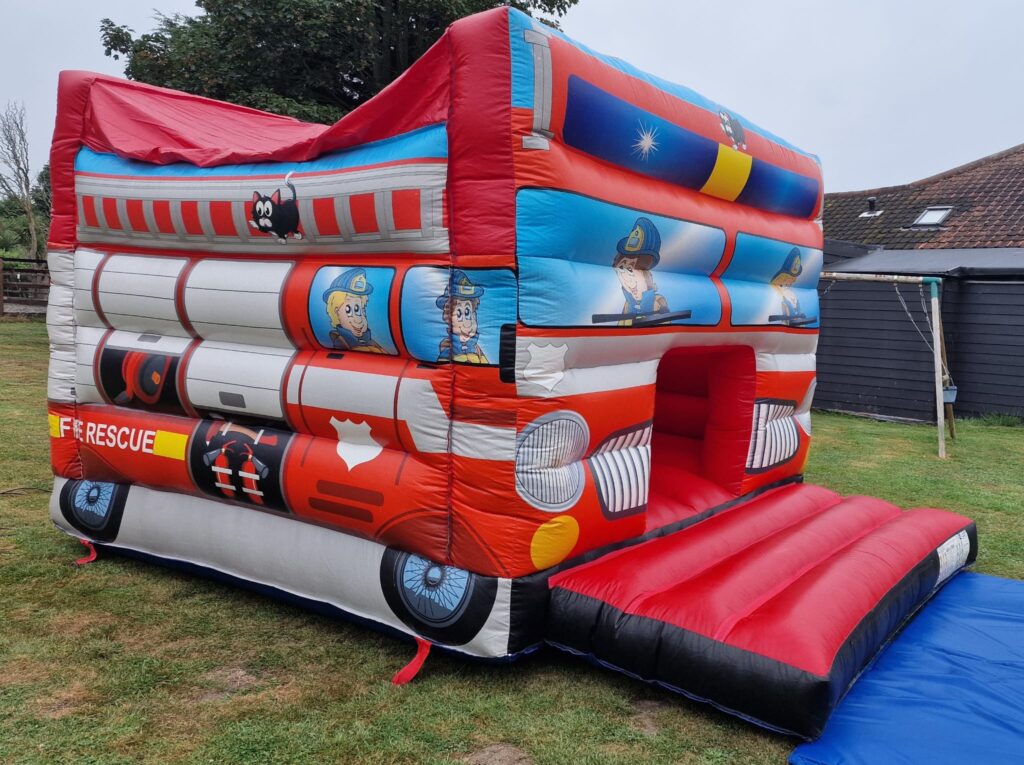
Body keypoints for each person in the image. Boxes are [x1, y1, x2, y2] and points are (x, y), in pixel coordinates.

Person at [613, 217, 669, 321]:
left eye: (631, 270)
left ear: (649, 275)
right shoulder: (628, 305)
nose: (628, 281)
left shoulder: (658, 304)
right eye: (621, 270)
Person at [322, 268, 386, 353]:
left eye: (360, 311)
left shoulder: (371, 342)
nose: (358, 320)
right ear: (336, 312)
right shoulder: (341, 341)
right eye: (348, 311)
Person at [436, 270, 488, 363]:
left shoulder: (478, 351)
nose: (467, 324)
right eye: (459, 314)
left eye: (468, 313)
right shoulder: (448, 352)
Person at [770, 247, 804, 319]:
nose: (791, 280)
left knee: (794, 299)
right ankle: (792, 314)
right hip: (781, 290)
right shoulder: (779, 282)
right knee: (786, 300)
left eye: (793, 278)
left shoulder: (790, 288)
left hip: (786, 291)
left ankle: (798, 313)